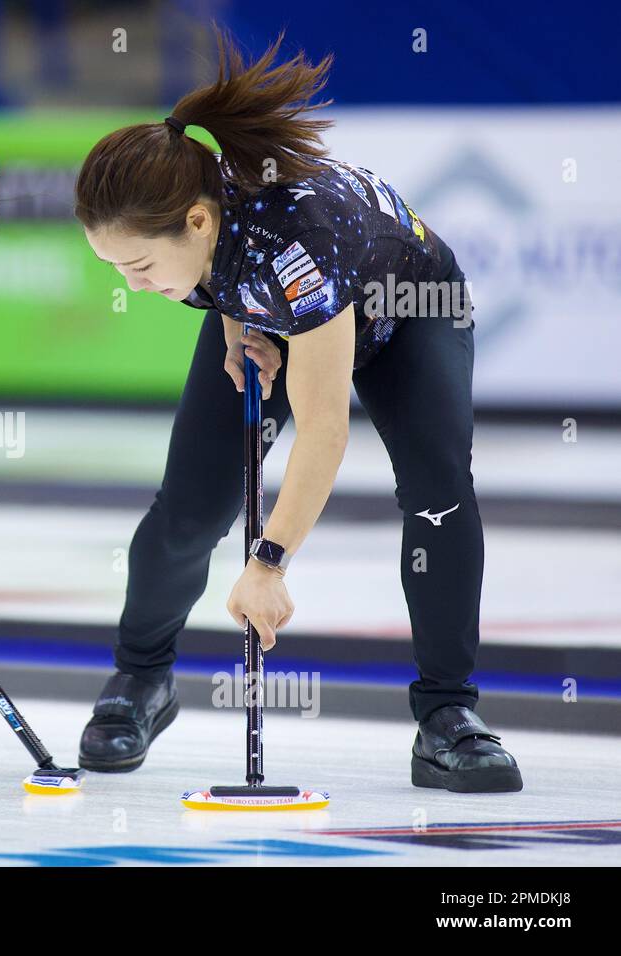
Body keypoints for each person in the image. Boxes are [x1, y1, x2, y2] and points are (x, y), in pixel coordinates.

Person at [72, 31, 521, 793]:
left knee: (439, 493)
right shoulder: (201, 212)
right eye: (115, 269)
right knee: (188, 509)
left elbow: (325, 430)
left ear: (197, 222)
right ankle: (140, 680)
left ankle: (448, 716)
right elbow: (220, 272)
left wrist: (268, 562)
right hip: (288, 310)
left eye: (140, 268)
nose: (135, 286)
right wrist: (239, 321)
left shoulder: (296, 245)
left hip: (409, 310)